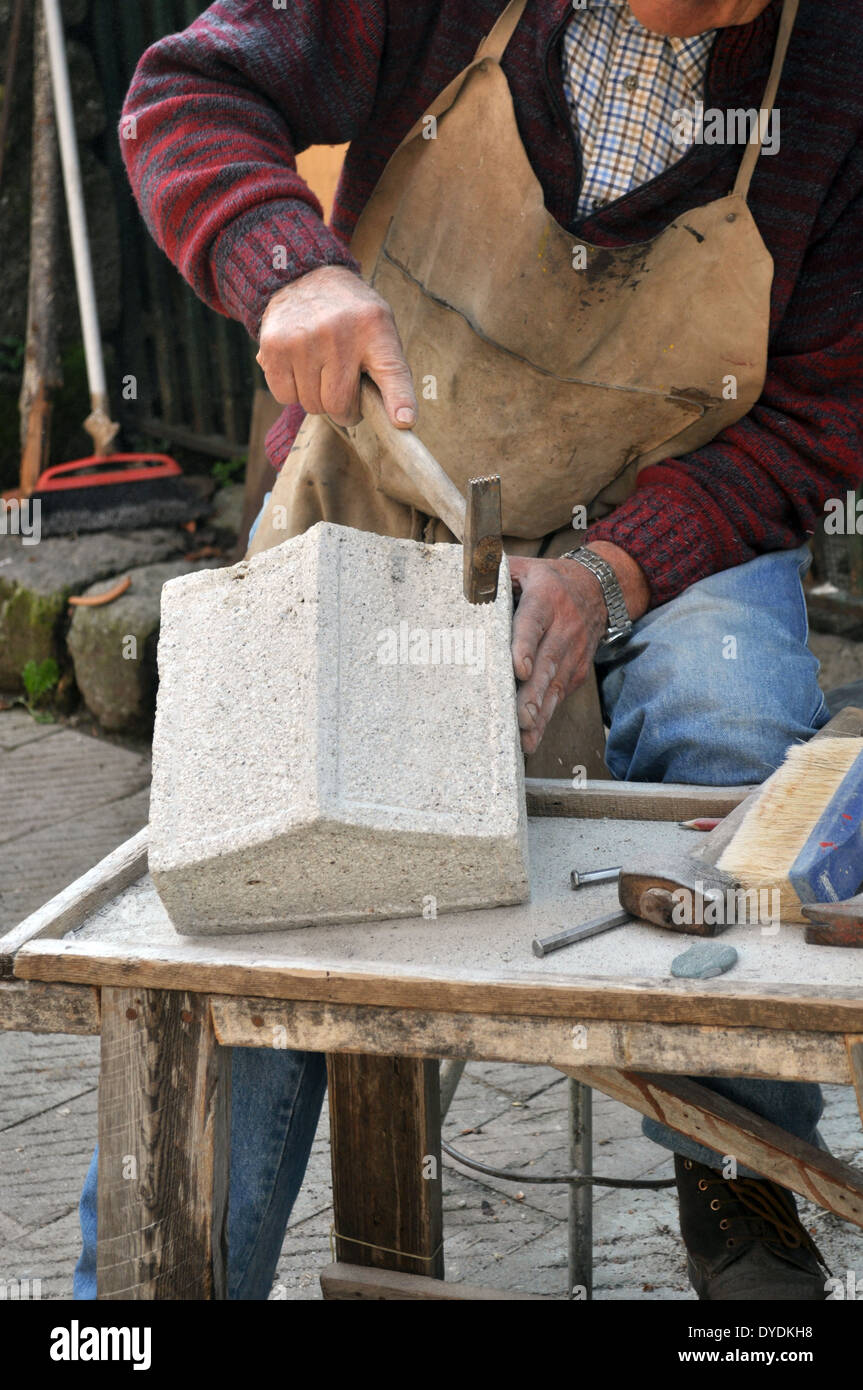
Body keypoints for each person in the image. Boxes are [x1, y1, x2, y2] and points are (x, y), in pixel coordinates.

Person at [75, 0, 863, 1300]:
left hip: (667, 523)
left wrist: (610, 574)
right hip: (395, 485)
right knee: (269, 856)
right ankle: (155, 1301)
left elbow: (821, 415)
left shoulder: (828, 62)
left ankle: (744, 1182)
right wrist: (290, 264)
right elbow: (185, 95)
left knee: (733, 742)